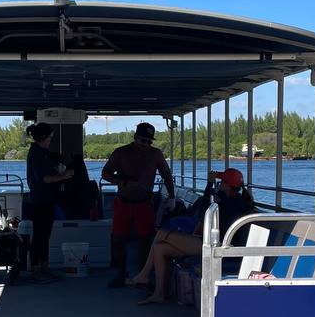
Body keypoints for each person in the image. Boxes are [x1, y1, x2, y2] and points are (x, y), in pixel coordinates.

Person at [128, 168, 255, 305]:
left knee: (162, 234)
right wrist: (211, 187)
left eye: (221, 182)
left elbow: (204, 206)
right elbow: (205, 206)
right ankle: (158, 293)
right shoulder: (235, 200)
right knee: (160, 248)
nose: (219, 185)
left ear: (225, 184)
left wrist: (210, 185)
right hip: (211, 241)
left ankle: (144, 275)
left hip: (217, 247)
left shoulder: (231, 203)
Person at [101, 122, 175, 288]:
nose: (146, 145)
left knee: (145, 240)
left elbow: (167, 175)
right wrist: (123, 181)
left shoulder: (155, 155)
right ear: (135, 138)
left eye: (149, 141)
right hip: (123, 202)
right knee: (118, 239)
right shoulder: (121, 153)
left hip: (144, 203)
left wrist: (172, 197)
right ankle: (121, 273)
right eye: (143, 140)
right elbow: (105, 173)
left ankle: (144, 274)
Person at [25, 122, 74, 281]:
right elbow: (44, 178)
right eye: (50, 138)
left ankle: (44, 267)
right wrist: (64, 176)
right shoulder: (36, 154)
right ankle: (35, 270)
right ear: (43, 137)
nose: (51, 141)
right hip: (40, 200)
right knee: (39, 236)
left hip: (47, 200)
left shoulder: (42, 153)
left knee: (45, 235)